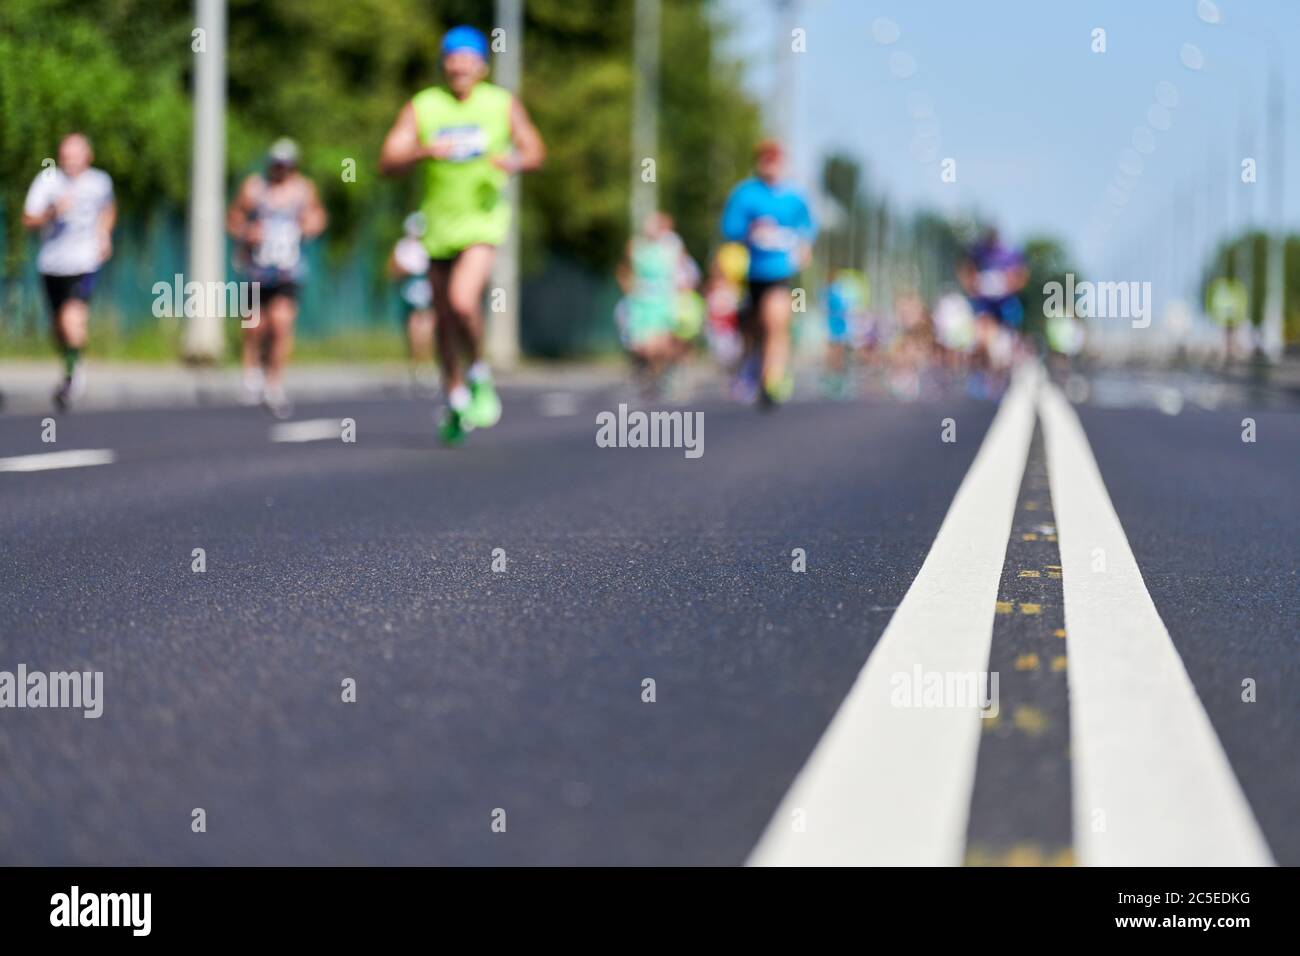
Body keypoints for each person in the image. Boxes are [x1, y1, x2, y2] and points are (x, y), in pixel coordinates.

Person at [378, 25, 545, 446]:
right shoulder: (424, 106)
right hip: (437, 225)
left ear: (482, 66)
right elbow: (387, 162)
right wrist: (421, 151)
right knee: (443, 320)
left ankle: (479, 374)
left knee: (461, 301)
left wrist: (514, 161)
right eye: (452, 57)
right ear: (444, 63)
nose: (459, 65)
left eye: (468, 58)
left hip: (482, 224)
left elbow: (535, 151)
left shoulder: (501, 104)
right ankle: (454, 396)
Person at [227, 137, 327, 419]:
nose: (281, 170)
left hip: (287, 268)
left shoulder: (303, 190)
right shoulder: (254, 188)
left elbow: (318, 217)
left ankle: (275, 383)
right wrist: (247, 232)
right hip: (258, 267)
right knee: (253, 325)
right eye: (277, 165)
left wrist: (311, 226)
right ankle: (251, 376)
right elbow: (233, 217)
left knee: (281, 324)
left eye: (286, 165)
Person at [21, 133, 116, 412]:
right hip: (52, 263)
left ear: (88, 156)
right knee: (58, 329)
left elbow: (109, 209)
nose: (69, 162)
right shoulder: (47, 181)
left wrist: (104, 234)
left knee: (71, 320)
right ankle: (72, 363)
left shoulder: (100, 182)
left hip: (84, 262)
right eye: (65, 156)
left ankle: (72, 379)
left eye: (75, 156)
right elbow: (28, 219)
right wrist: (51, 212)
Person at [720, 139, 816, 408]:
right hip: (749, 273)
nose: (770, 165)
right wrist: (751, 231)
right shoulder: (745, 194)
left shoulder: (794, 197)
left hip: (780, 272)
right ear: (759, 162)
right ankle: (750, 366)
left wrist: (804, 246)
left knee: (776, 323)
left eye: (775, 159)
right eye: (766, 159)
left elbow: (807, 227)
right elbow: (730, 228)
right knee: (752, 328)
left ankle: (772, 380)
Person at [615, 211, 701, 396]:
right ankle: (646, 371)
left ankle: (664, 372)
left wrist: (683, 291)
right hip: (641, 305)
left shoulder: (671, 248)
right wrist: (630, 288)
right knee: (640, 345)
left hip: (664, 304)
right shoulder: (636, 248)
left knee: (660, 344)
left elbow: (686, 271)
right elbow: (623, 270)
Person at [957, 227, 1027, 391]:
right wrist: (972, 285)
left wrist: (1010, 286)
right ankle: (982, 375)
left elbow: (1022, 274)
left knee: (1001, 346)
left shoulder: (1009, 254)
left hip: (1004, 304)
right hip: (984, 304)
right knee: (981, 340)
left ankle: (999, 375)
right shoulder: (978, 252)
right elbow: (965, 268)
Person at [388, 212, 436, 387]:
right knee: (416, 324)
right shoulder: (403, 246)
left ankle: (425, 362)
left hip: (425, 286)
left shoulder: (429, 245)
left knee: (426, 324)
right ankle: (418, 362)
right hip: (412, 287)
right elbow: (393, 268)